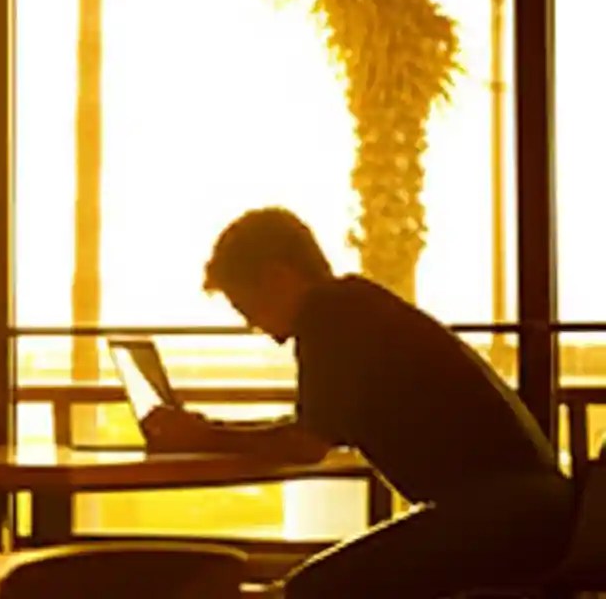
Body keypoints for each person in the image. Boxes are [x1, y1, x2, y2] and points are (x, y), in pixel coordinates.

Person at [141, 207, 575, 598]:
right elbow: (314, 427)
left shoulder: (328, 317)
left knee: (316, 589)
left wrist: (202, 435)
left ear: (277, 277)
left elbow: (304, 444)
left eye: (244, 305)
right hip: (533, 511)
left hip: (500, 518)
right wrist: (210, 428)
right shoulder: (354, 306)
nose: (250, 323)